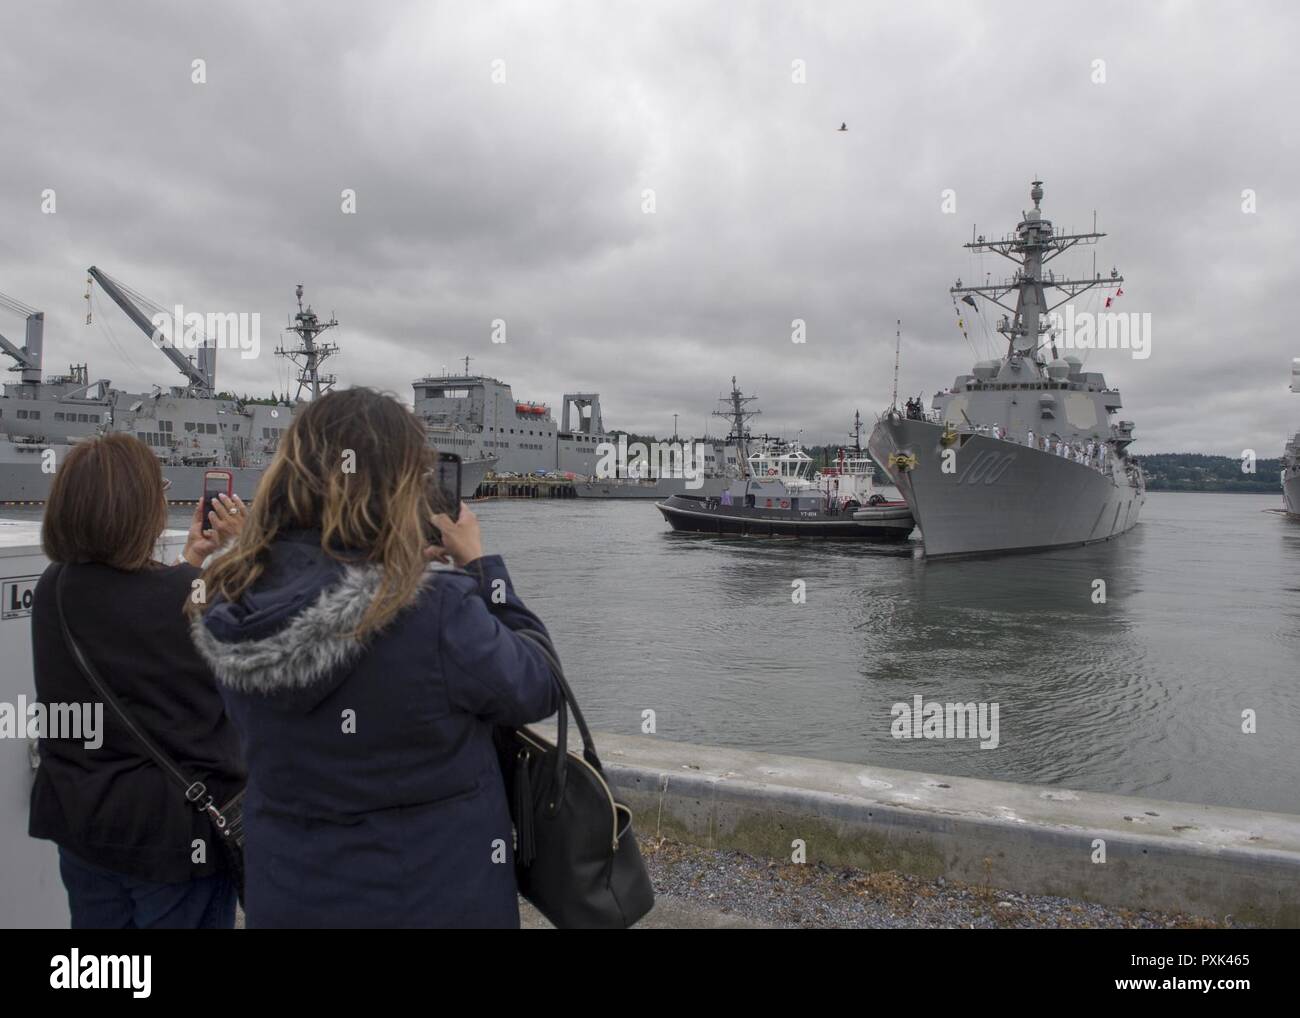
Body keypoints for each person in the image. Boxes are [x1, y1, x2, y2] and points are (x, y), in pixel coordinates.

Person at [189, 388, 562, 929]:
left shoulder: (229, 598)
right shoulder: (435, 609)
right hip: (430, 898)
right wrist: (481, 567)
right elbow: (540, 683)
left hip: (291, 895)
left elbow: (308, 579)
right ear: (399, 486)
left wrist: (393, 558)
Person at [30, 433, 246, 929]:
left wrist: (192, 560)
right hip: (173, 842)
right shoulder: (181, 597)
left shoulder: (53, 587)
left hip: (84, 828)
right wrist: (248, 546)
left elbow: (135, 611)